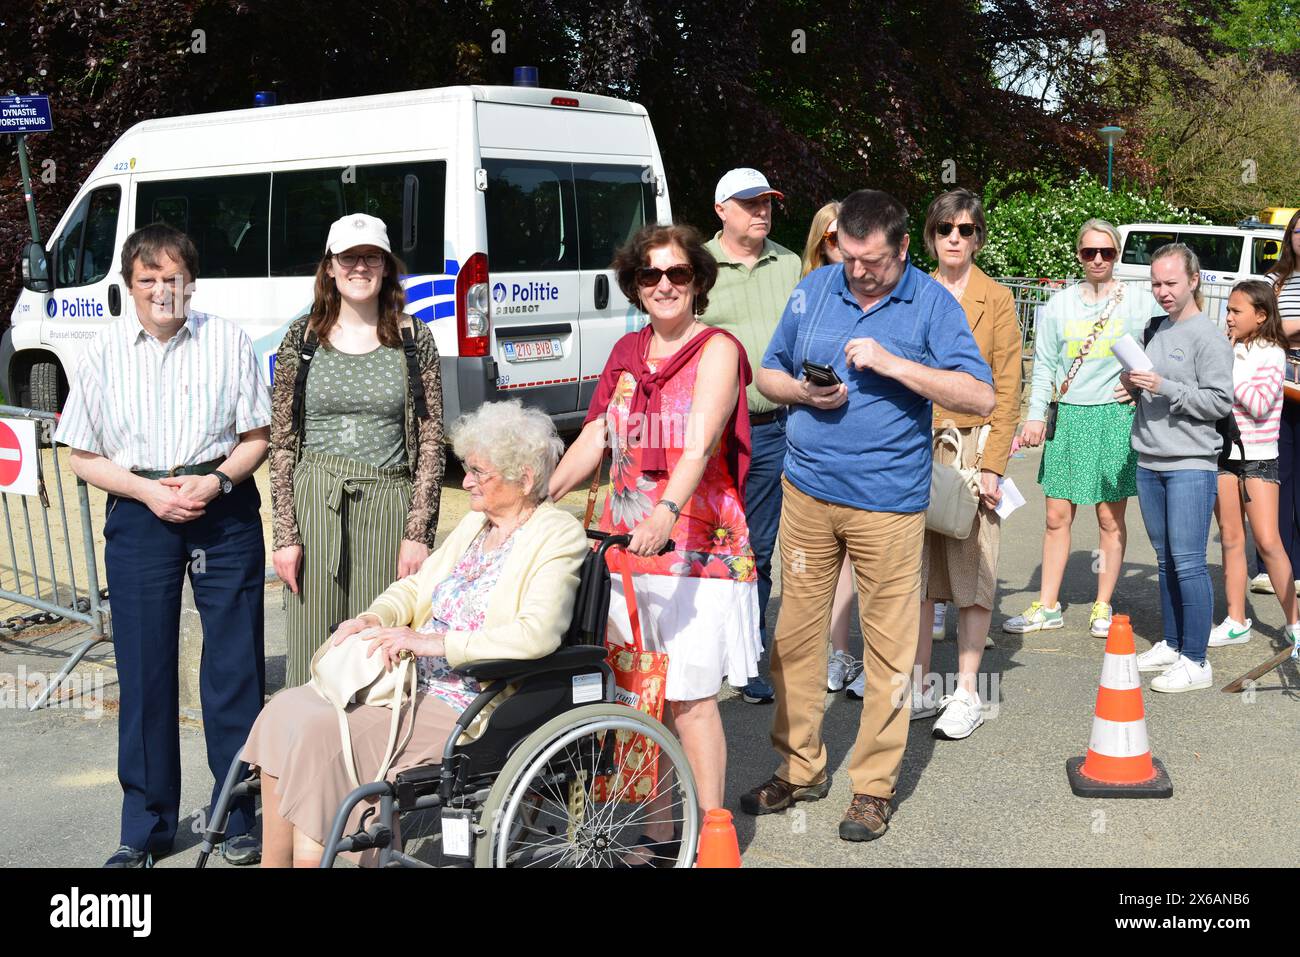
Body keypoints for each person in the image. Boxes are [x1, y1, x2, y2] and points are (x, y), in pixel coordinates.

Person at [740, 189, 994, 842]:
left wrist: (896, 364)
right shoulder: (817, 289)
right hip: (807, 494)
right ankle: (800, 767)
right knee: (795, 638)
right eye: (849, 257)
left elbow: (980, 394)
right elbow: (767, 372)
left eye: (873, 261)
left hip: (889, 505)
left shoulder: (931, 303)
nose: (858, 272)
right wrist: (803, 391)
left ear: (905, 248)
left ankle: (873, 789)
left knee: (887, 652)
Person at [243, 400, 587, 867]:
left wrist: (435, 643)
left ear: (524, 478)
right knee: (287, 710)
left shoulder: (557, 534)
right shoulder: (475, 524)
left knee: (320, 737)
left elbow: (537, 634)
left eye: (478, 472)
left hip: (471, 698)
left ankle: (324, 857)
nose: (465, 482)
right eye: (466, 469)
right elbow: (417, 587)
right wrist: (375, 618)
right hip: (407, 678)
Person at [55, 223, 272, 868]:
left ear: (191, 282)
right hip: (140, 511)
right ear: (129, 285)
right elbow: (80, 455)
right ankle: (144, 828)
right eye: (147, 279)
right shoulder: (100, 354)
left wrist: (215, 481)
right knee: (145, 671)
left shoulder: (227, 342)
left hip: (221, 508)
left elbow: (257, 435)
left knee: (234, 668)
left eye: (172, 278)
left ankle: (238, 812)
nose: (160, 290)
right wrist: (150, 495)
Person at [550, 222, 761, 851]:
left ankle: (714, 832)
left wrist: (667, 508)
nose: (664, 285)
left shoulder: (718, 348)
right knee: (636, 693)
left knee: (690, 696)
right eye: (650, 275)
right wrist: (541, 498)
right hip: (625, 542)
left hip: (697, 540)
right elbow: (595, 436)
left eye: (677, 273)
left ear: (698, 280)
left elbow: (700, 440)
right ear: (634, 286)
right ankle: (658, 832)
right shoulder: (624, 353)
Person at [270, 213, 445, 687]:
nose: (360, 267)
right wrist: (284, 536)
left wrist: (419, 531)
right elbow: (282, 442)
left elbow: (431, 438)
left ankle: (376, 760)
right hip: (315, 505)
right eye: (349, 257)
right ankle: (303, 758)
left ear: (387, 266)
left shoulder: (412, 337)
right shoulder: (303, 339)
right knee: (311, 651)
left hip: (388, 505)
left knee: (378, 650)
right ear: (330, 267)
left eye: (371, 257)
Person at [903, 188, 1022, 740]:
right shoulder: (908, 290)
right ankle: (921, 685)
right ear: (930, 234)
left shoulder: (995, 299)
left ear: (978, 237)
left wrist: (994, 465)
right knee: (917, 577)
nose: (956, 237)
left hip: (972, 444)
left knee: (972, 569)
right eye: (946, 228)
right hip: (912, 442)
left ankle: (969, 692)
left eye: (967, 229)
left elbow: (1008, 386)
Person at [1007, 218, 1160, 637]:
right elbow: (1043, 368)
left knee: (1110, 519)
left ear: (1117, 256)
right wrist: (1036, 414)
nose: (1097, 259)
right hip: (1070, 415)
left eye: (1106, 252)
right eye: (1089, 252)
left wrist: (1142, 380)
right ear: (1078, 255)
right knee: (1056, 516)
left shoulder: (1140, 302)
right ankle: (1048, 605)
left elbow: (1169, 343)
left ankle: (1102, 605)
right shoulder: (1058, 306)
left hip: (1113, 418)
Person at [699, 168, 802, 704]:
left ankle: (748, 657)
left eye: (768, 202)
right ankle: (704, 651)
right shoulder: (697, 266)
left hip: (777, 429)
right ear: (722, 210)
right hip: (715, 437)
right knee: (706, 545)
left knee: (758, 550)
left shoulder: (789, 264)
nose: (761, 211)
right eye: (749, 202)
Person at [1119, 244, 1233, 692]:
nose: (1162, 291)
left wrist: (1165, 387)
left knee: (1188, 563)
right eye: (1156, 283)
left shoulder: (1209, 337)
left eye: (1170, 283)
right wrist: (1133, 388)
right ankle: (1172, 642)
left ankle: (1197, 658)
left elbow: (1220, 401)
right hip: (1150, 458)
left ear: (1194, 280)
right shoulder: (1157, 330)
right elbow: (1156, 388)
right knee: (1166, 561)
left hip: (1190, 461)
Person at [1211, 281, 1300, 647]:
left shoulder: (1272, 353)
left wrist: (1227, 369)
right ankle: (1236, 619)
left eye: (1236, 311)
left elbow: (1260, 404)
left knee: (1268, 541)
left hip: (1259, 458)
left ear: (1260, 316)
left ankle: (1295, 623)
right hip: (1223, 456)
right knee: (1231, 540)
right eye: (1228, 310)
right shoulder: (1226, 348)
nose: (1228, 317)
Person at [1254, 208, 1300, 596]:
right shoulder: (1274, 281)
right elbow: (1263, 327)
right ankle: (1271, 564)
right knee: (1276, 473)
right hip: (1277, 385)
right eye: (1298, 231)